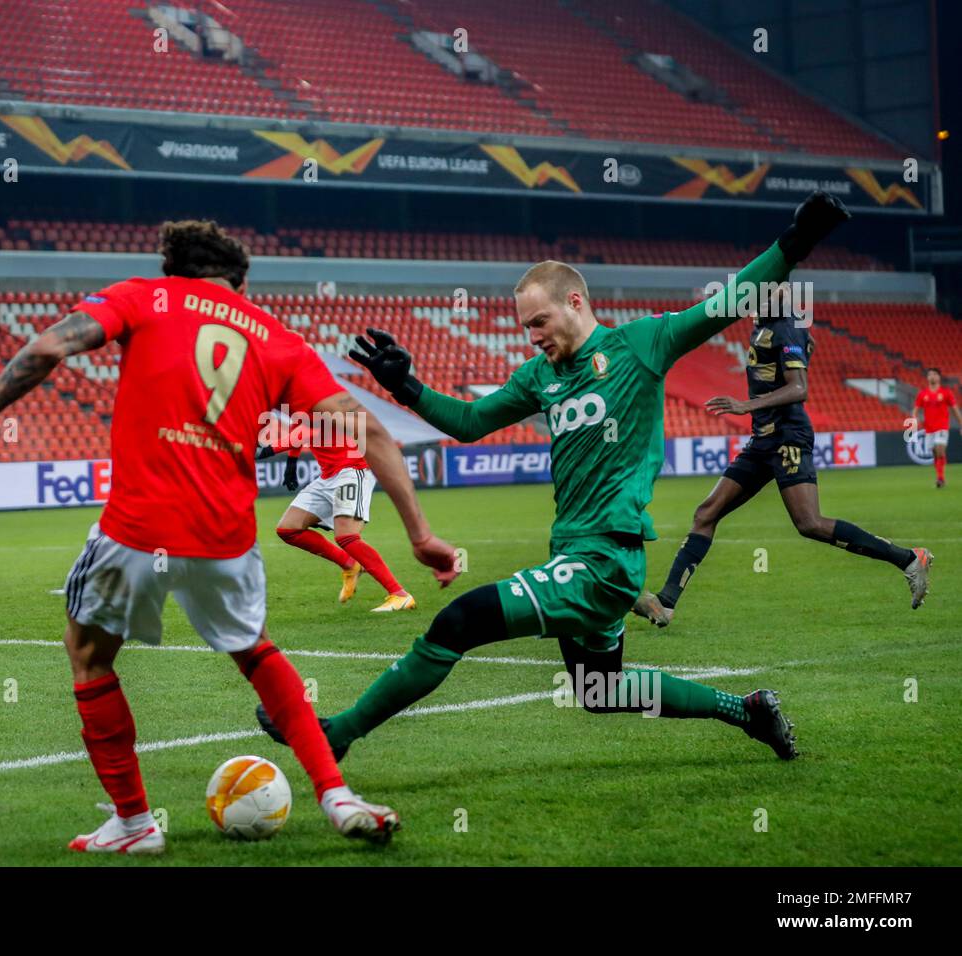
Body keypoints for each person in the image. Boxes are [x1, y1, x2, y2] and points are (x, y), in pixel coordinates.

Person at [257, 192, 857, 766]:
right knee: (601, 690)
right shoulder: (539, 377)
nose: (533, 336)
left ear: (575, 302)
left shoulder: (640, 344)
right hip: (573, 554)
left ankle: (338, 734)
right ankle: (747, 710)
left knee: (457, 623)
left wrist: (795, 241)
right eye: (526, 327)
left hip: (605, 561)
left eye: (539, 321)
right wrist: (405, 387)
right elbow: (469, 422)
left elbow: (725, 302)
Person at [0, 220, 459, 854]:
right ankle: (337, 796)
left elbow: (48, 348)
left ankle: (134, 824)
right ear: (241, 282)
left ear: (172, 268)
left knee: (90, 656)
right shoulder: (276, 337)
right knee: (256, 653)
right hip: (224, 536)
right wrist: (421, 534)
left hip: (137, 527)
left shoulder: (141, 296)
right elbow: (370, 430)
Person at [634, 300, 932, 625]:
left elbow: (799, 388)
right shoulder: (768, 325)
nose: (752, 298)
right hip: (763, 439)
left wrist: (747, 405)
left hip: (788, 435)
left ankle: (908, 558)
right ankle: (667, 602)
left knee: (809, 523)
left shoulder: (784, 326)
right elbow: (802, 350)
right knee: (706, 513)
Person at [259, 421, 416, 611]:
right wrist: (292, 461)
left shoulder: (316, 404)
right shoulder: (296, 407)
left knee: (347, 536)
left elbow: (309, 428)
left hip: (352, 470)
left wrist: (266, 450)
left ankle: (400, 595)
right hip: (328, 475)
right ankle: (349, 564)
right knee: (288, 529)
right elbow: (299, 426)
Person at [912, 367, 961, 488]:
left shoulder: (946, 392)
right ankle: (940, 476)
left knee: (939, 449)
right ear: (927, 378)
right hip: (929, 429)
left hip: (942, 427)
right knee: (935, 453)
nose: (932, 376)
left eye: (934, 374)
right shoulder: (923, 394)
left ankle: (940, 478)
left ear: (939, 377)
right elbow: (915, 410)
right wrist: (915, 419)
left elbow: (955, 410)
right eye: (930, 375)